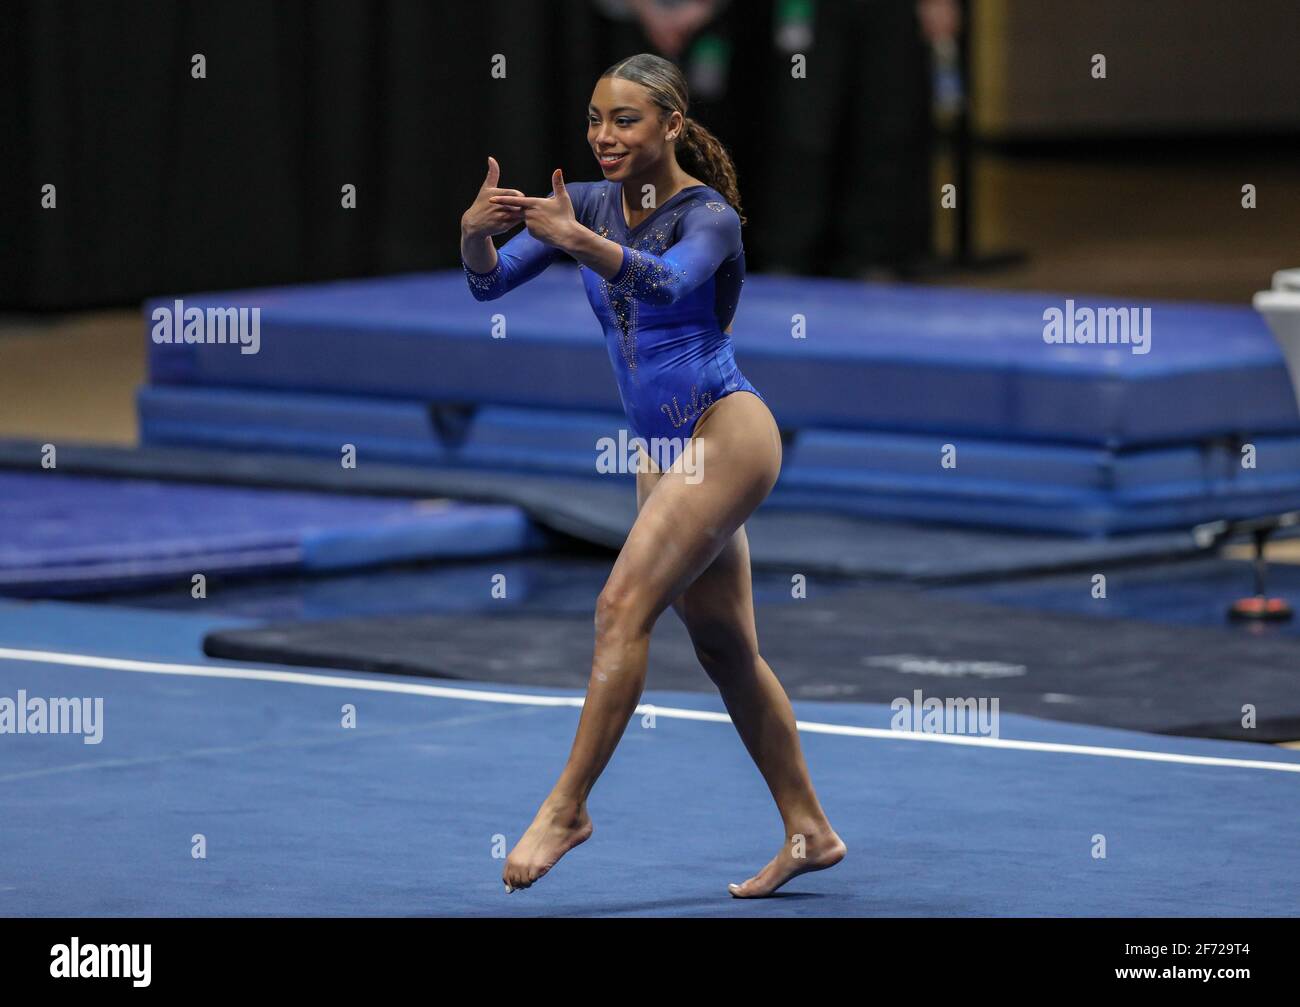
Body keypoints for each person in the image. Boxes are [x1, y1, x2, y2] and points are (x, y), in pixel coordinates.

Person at [459, 53, 843, 898]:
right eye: (595, 119)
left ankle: (567, 807)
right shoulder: (587, 203)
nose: (604, 136)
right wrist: (477, 229)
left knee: (618, 607)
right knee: (725, 649)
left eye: (625, 119)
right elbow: (489, 286)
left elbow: (668, 282)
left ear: (673, 124)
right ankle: (809, 828)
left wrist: (577, 239)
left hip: (725, 431)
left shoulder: (709, 216)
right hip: (659, 454)